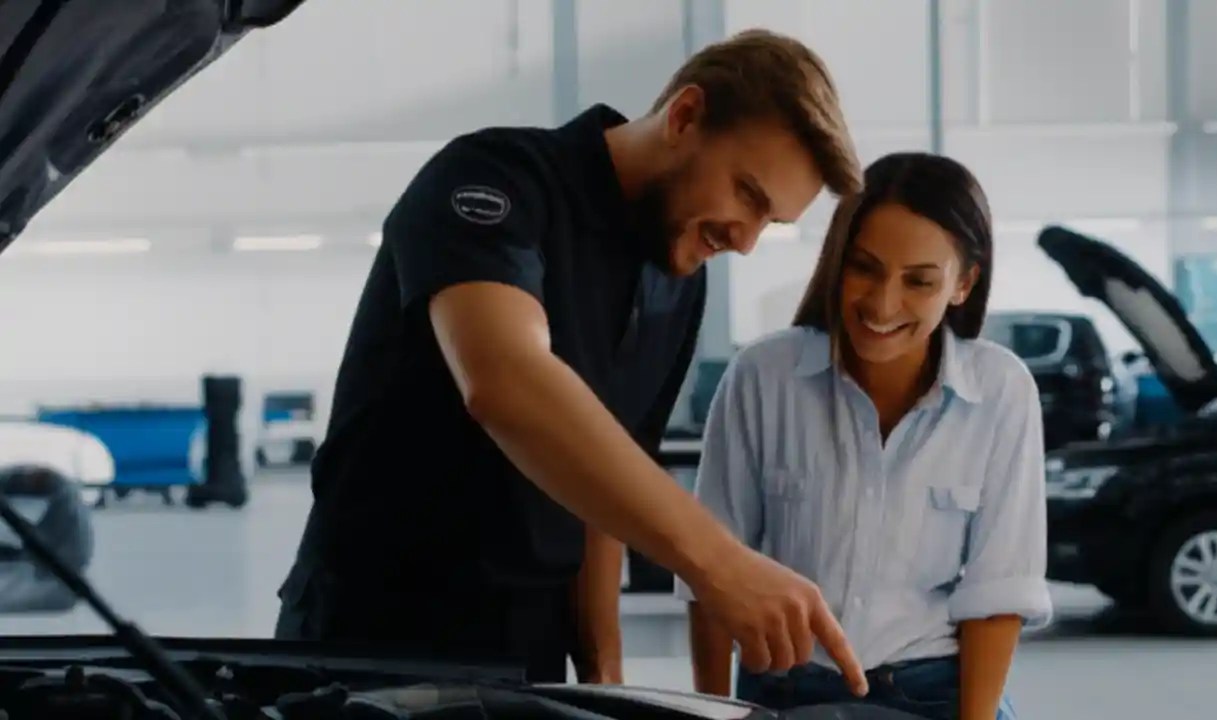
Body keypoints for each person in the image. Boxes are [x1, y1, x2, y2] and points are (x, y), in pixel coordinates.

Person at [274, 28, 872, 692]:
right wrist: (720, 563)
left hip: (525, 655)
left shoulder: (678, 281)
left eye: (773, 224)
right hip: (373, 634)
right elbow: (504, 381)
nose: (747, 241)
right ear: (684, 116)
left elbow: (607, 490)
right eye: (748, 196)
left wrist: (604, 673)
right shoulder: (494, 180)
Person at [676, 152, 1053, 719]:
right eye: (864, 268)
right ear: (835, 262)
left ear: (963, 283)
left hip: (937, 694)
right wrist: (711, 714)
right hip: (785, 692)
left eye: (919, 281)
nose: (882, 303)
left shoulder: (1001, 391)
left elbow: (998, 592)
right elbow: (712, 569)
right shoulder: (762, 377)